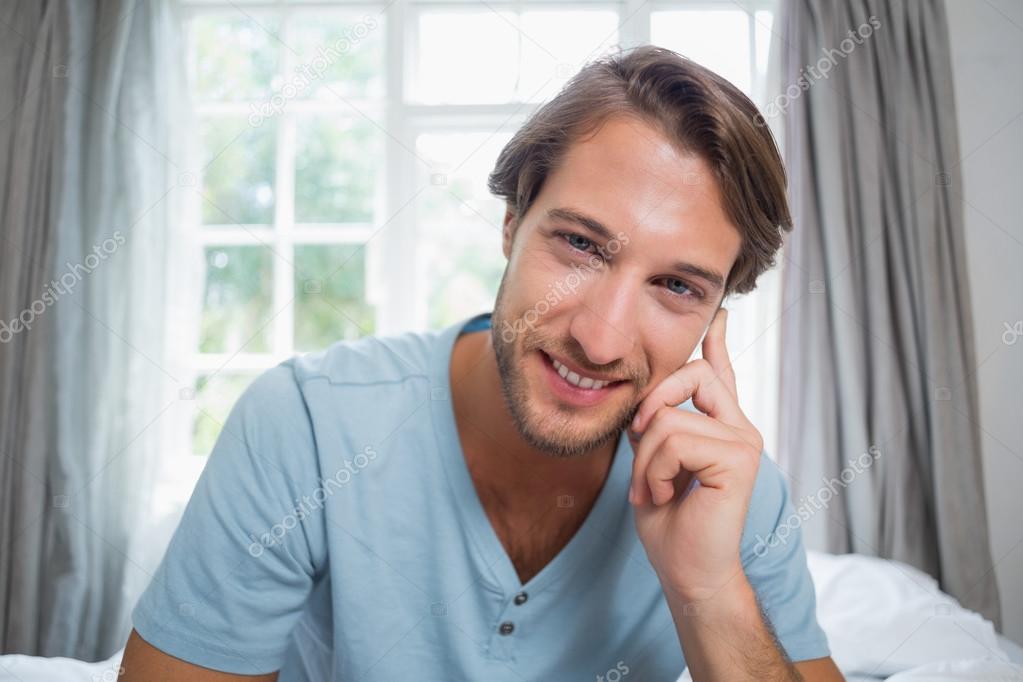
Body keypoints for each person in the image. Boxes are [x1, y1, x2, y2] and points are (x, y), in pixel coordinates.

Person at [120, 46, 844, 681]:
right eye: (581, 246)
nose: (600, 340)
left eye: (676, 287)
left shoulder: (729, 493)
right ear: (511, 222)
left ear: (716, 320)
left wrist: (709, 592)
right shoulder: (307, 426)